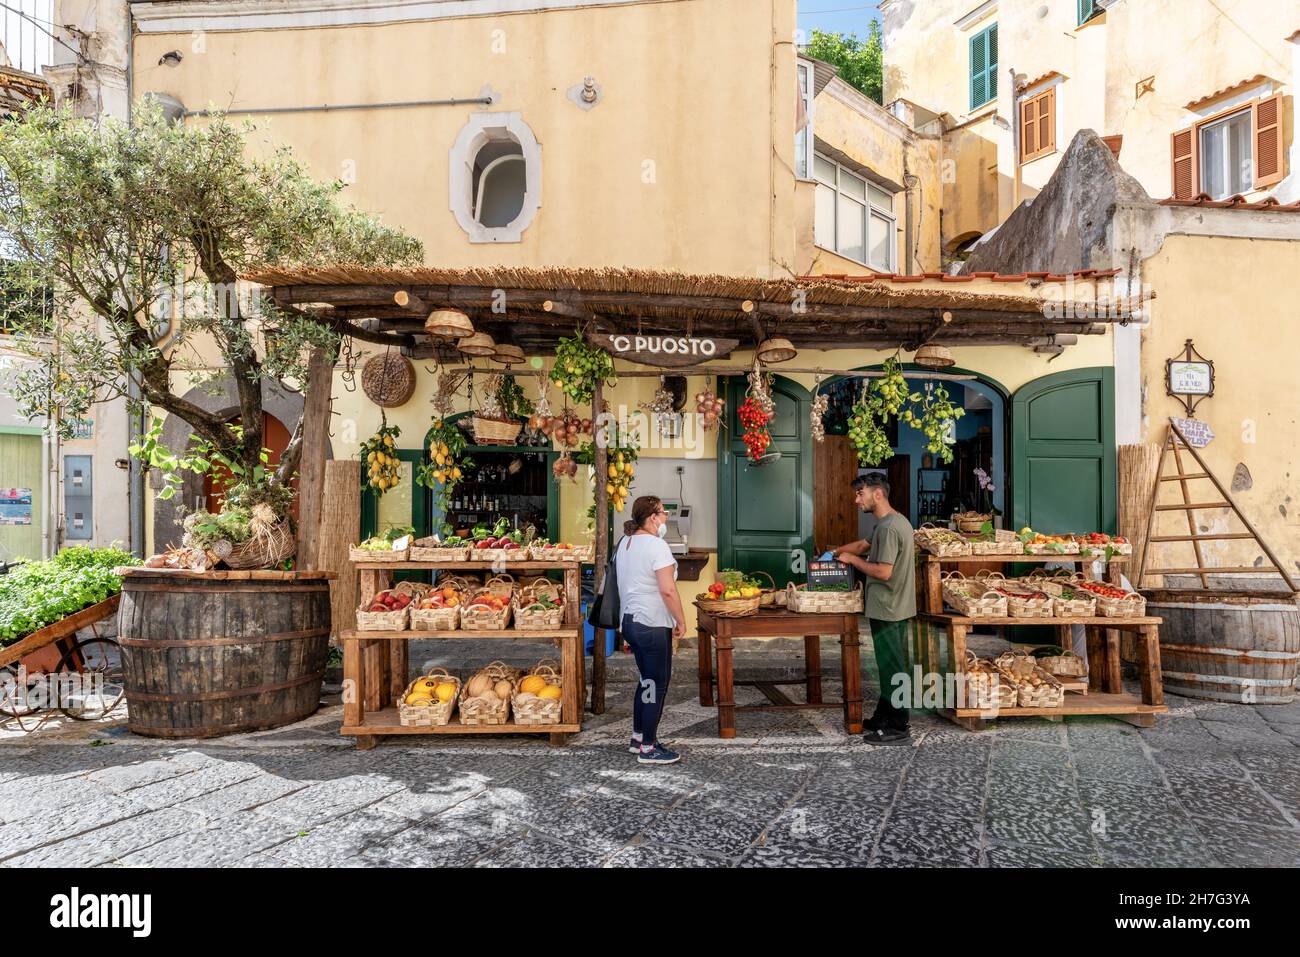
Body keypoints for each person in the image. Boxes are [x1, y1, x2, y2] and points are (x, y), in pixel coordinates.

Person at [828, 473, 916, 745]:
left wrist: (853, 561)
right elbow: (864, 545)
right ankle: (883, 715)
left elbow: (884, 571)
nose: (856, 500)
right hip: (895, 607)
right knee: (890, 665)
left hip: (889, 607)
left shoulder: (889, 529)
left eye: (860, 494)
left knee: (892, 667)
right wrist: (835, 552)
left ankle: (899, 727)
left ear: (877, 494)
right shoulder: (891, 522)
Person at [616, 495, 688, 765]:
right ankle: (649, 747)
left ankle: (638, 738)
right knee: (656, 684)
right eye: (664, 514)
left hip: (631, 623)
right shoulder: (657, 547)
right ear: (653, 517)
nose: (666, 518)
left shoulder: (625, 543)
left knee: (646, 680)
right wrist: (680, 620)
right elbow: (668, 590)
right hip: (653, 623)